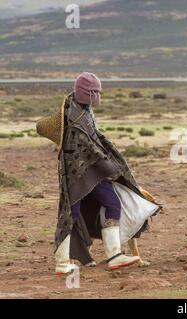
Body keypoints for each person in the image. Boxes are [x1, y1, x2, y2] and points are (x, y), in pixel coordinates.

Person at [36, 72, 161, 275]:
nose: (97, 96)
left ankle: (114, 255)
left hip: (91, 172)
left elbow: (96, 141)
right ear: (85, 92)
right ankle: (62, 263)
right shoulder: (75, 116)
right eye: (94, 92)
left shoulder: (83, 111)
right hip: (76, 174)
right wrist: (111, 167)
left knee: (111, 203)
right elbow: (90, 148)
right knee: (71, 214)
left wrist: (110, 163)